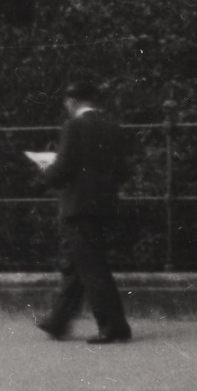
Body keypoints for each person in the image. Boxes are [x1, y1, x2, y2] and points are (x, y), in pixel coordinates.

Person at [36, 77, 134, 343]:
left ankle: (114, 327)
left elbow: (63, 168)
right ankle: (58, 321)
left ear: (73, 101)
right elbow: (123, 171)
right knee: (78, 264)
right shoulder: (113, 128)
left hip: (78, 206)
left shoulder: (73, 127)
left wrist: (47, 169)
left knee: (92, 268)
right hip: (105, 206)